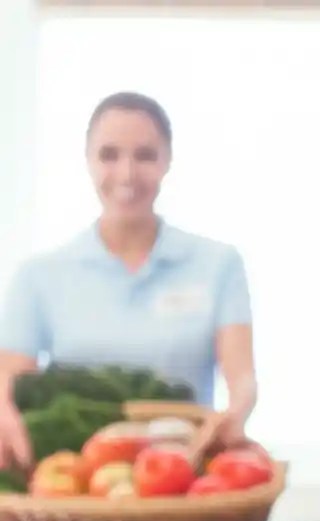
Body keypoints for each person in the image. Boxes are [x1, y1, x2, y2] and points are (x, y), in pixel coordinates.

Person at [0, 91, 257, 471]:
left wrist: (235, 416)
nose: (127, 174)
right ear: (87, 161)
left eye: (145, 155)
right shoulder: (39, 276)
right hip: (78, 484)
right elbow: (10, 385)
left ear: (168, 161)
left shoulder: (218, 265)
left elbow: (243, 380)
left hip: (182, 475)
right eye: (109, 155)